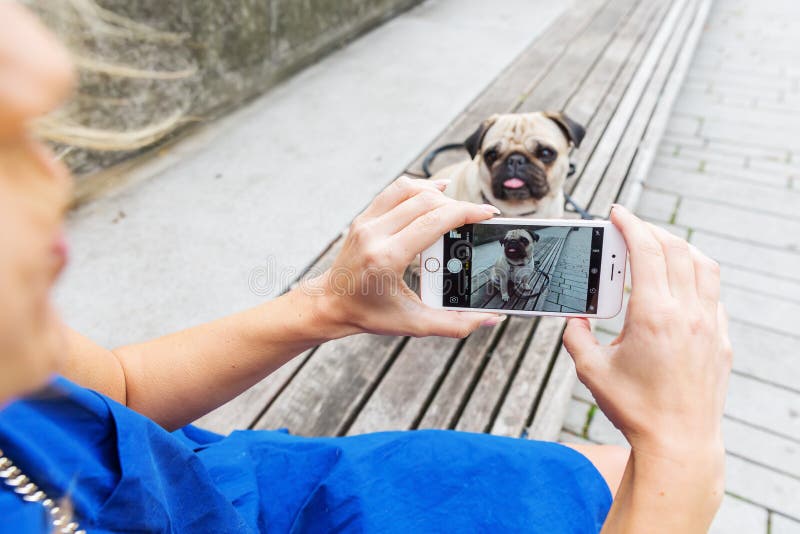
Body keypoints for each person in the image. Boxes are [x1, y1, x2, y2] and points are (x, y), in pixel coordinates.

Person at [0, 2, 732, 532]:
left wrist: (328, 303)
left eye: (35, 141)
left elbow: (116, 391)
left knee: (603, 468)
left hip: (234, 481)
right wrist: (680, 447)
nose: (56, 181)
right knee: (629, 473)